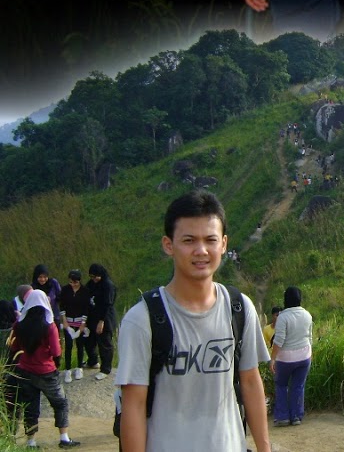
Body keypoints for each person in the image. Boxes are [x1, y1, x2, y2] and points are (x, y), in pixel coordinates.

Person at [114, 191, 272, 452]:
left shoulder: (239, 308)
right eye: (189, 240)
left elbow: (250, 382)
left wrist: (265, 448)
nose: (201, 251)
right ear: (168, 245)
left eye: (210, 240)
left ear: (223, 244)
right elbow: (134, 405)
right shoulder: (142, 320)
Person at [6, 296, 79, 448]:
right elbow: (56, 351)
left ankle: (31, 442)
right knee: (60, 403)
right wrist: (56, 363)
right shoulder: (49, 326)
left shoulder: (19, 325)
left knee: (30, 407)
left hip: (25, 370)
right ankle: (64, 438)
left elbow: (14, 347)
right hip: (46, 372)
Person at [270, 287, 313, 426]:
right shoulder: (307, 315)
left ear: (286, 299)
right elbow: (310, 337)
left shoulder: (283, 317)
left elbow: (279, 340)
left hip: (285, 359)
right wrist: (310, 354)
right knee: (298, 386)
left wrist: (273, 359)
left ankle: (283, 417)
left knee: (281, 385)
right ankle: (296, 417)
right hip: (304, 356)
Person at [55, 271, 90, 383]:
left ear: (79, 281)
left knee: (80, 344)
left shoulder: (85, 291)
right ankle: (68, 369)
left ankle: (79, 367)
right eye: (71, 282)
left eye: (75, 282)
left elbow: (86, 307)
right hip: (68, 320)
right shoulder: (65, 290)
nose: (73, 285)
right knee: (69, 345)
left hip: (80, 320)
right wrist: (64, 321)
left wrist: (83, 323)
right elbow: (62, 305)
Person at [84, 263, 116, 380]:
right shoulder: (91, 284)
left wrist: (101, 321)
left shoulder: (108, 285)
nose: (94, 279)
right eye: (92, 277)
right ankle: (93, 361)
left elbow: (108, 304)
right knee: (89, 340)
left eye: (96, 276)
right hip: (92, 317)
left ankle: (105, 369)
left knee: (104, 343)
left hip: (105, 318)